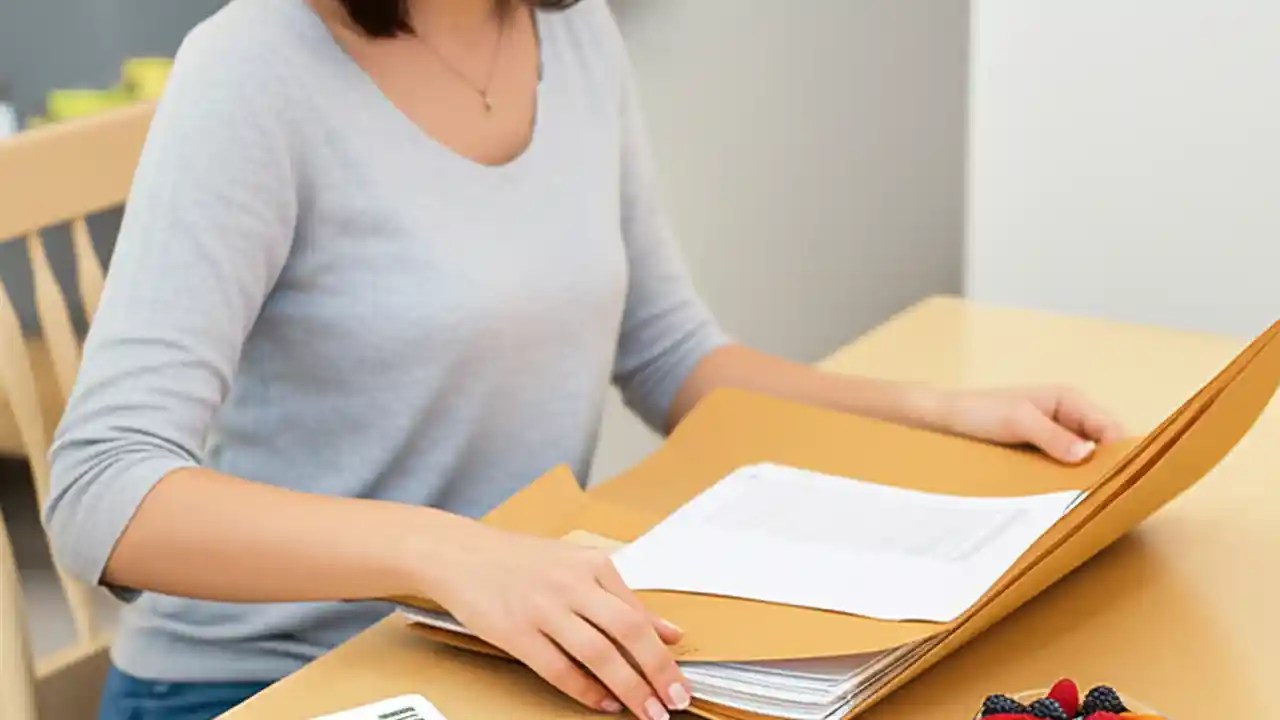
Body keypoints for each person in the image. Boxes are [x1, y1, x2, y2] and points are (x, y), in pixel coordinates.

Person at [45, 0, 1125, 718]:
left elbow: (668, 354)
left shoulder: (575, 37)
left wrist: (927, 407)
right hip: (278, 682)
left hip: (503, 658)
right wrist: (449, 556)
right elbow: (102, 491)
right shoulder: (251, 68)